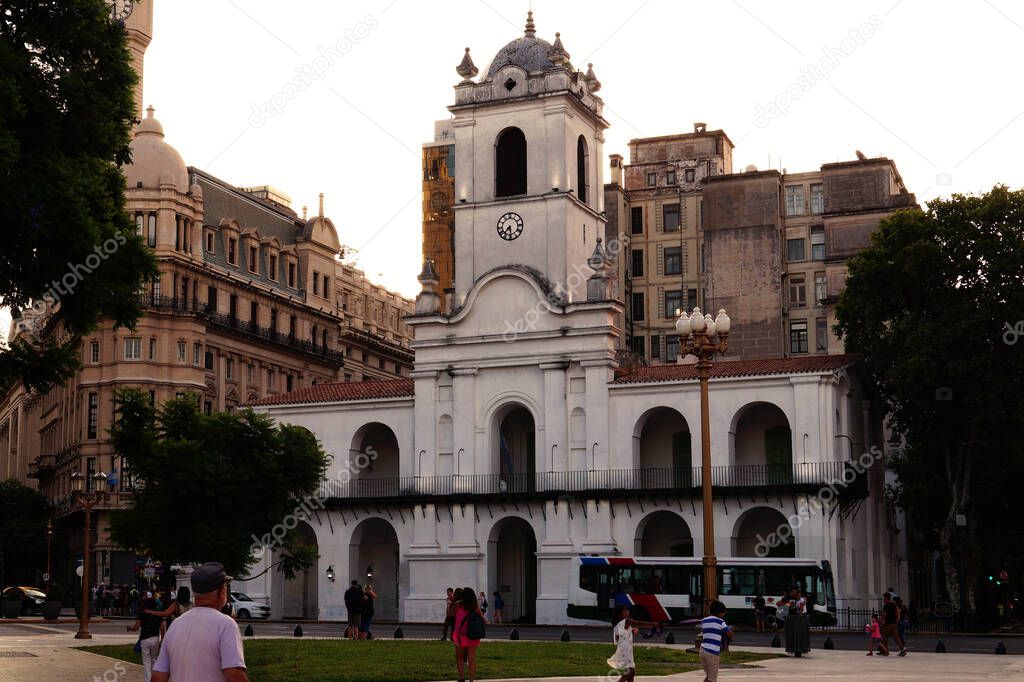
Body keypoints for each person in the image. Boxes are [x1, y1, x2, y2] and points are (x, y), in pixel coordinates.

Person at [151, 562, 248, 682]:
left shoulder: (176, 625)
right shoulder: (226, 624)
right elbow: (234, 674)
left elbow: (158, 677)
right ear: (222, 591)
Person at [606, 604, 659, 682]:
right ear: (620, 615)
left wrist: (632, 631)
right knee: (630, 672)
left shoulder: (618, 625)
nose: (628, 611)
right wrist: (653, 624)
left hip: (623, 649)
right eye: (625, 611)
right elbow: (639, 623)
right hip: (626, 650)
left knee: (631, 672)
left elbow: (620, 637)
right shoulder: (627, 621)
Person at [127, 592, 162, 682]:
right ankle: (155, 679)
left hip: (145, 639)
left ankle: (147, 680)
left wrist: (129, 628)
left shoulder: (141, 614)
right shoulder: (157, 614)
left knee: (146, 661)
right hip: (155, 638)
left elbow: (136, 627)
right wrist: (162, 639)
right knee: (154, 659)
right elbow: (162, 627)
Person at [453, 587, 485, 682]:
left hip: (460, 636)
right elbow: (483, 619)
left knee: (459, 658)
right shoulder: (475, 606)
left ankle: (461, 678)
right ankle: (471, 680)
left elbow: (453, 616)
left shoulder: (457, 605)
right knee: (472, 659)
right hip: (472, 636)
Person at [699, 600, 734, 682]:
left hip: (702, 651)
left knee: (708, 676)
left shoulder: (704, 620)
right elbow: (730, 634)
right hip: (712, 652)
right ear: (719, 613)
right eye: (723, 613)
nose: (723, 615)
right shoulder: (720, 621)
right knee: (712, 679)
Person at [881, 592, 906, 656]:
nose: (883, 599)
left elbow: (884, 615)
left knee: (885, 637)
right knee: (896, 637)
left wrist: (881, 622)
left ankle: (886, 651)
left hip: (887, 623)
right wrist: (896, 621)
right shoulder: (894, 604)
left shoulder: (886, 605)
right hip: (894, 623)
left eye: (884, 598)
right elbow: (897, 613)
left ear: (886, 598)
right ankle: (902, 649)